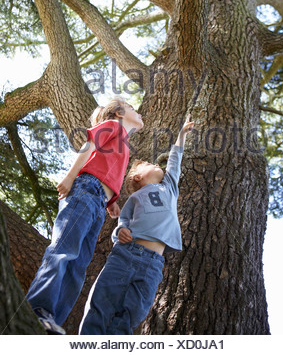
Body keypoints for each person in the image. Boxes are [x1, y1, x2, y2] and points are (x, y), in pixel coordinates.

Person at [26, 96, 143, 334]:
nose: (137, 111)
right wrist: (70, 176)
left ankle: (51, 322)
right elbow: (88, 147)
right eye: (132, 107)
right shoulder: (113, 126)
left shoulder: (125, 145)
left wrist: (111, 201)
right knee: (62, 251)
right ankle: (37, 310)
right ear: (119, 113)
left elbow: (107, 169)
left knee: (78, 267)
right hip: (84, 190)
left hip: (98, 202)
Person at [79, 115, 194, 335]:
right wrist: (119, 232)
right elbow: (124, 222)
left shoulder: (169, 187)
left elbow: (174, 161)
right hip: (125, 255)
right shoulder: (134, 199)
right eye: (150, 164)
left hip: (152, 265)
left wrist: (181, 136)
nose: (156, 164)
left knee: (132, 314)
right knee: (101, 303)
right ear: (139, 176)